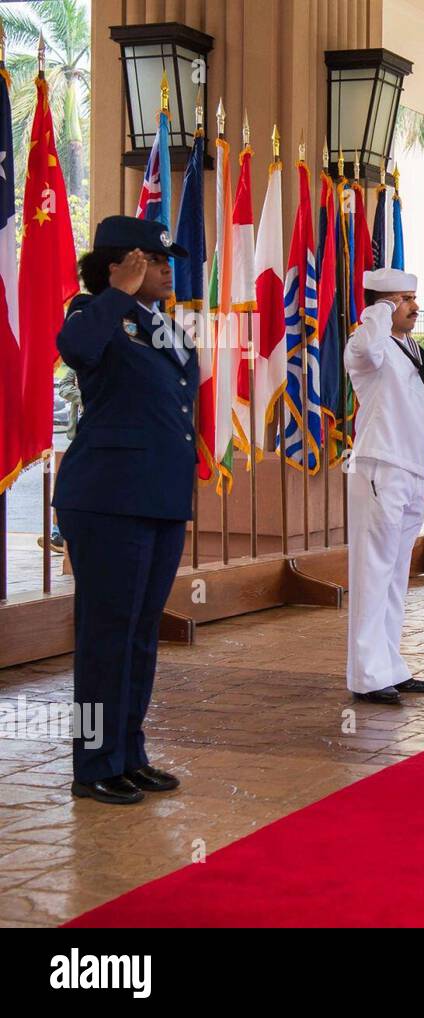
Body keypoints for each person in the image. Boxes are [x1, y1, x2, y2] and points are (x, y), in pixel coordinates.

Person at [54, 216, 194, 805]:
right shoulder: (91, 312)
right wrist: (116, 292)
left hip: (157, 495)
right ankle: (93, 763)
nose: (167, 268)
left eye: (167, 260)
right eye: (154, 259)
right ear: (121, 263)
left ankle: (128, 753)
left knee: (139, 633)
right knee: (105, 634)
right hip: (108, 498)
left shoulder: (161, 324)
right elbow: (76, 350)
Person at [344, 267, 424, 706]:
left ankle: (390, 664)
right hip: (380, 467)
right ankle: (366, 674)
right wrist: (379, 312)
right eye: (403, 299)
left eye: (411, 298)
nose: (413, 306)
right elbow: (368, 348)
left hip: (410, 471)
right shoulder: (366, 344)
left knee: (396, 575)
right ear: (381, 305)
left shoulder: (409, 347)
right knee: (373, 572)